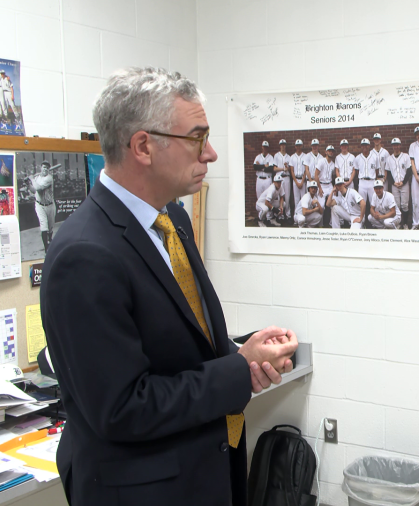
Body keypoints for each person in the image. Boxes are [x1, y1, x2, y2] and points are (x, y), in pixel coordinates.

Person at [41, 67, 298, 506]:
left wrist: (243, 357)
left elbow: (179, 355)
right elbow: (122, 408)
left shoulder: (172, 219)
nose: (211, 153)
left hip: (204, 472)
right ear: (143, 146)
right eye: (197, 138)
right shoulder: (85, 254)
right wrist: (236, 371)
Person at [27, 161, 58, 253]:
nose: (45, 169)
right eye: (44, 167)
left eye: (47, 168)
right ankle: (46, 249)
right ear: (41, 168)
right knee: (44, 226)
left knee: (50, 227)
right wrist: (28, 184)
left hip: (50, 205)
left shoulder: (49, 178)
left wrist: (32, 179)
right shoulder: (37, 178)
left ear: (49, 170)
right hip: (39, 205)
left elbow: (39, 188)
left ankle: (49, 239)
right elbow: (34, 191)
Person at [387, 137, 412, 230]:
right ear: (392, 146)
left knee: (405, 205)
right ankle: (398, 224)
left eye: (397, 145)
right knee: (396, 205)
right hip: (394, 185)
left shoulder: (405, 156)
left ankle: (405, 224)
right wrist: (393, 183)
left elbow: (409, 171)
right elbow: (388, 173)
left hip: (404, 184)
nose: (396, 147)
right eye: (394, 145)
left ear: (400, 145)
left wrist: (403, 182)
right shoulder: (389, 158)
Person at [273, 139, 292, 220]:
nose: (283, 146)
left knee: (287, 198)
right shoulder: (276, 155)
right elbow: (274, 169)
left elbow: (290, 169)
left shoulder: (289, 156)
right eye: (281, 145)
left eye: (284, 145)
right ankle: (280, 215)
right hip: (279, 179)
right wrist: (283, 169)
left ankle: (288, 215)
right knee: (279, 197)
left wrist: (287, 168)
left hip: (286, 178)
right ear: (280, 146)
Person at [289, 139, 306, 223]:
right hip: (295, 180)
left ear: (302, 146)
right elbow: (291, 170)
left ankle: (303, 217)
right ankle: (296, 219)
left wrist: (302, 181)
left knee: (303, 200)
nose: (298, 147)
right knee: (296, 200)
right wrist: (296, 182)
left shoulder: (305, 156)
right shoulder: (292, 157)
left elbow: (307, 170)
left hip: (303, 180)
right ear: (295, 146)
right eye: (297, 145)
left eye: (300, 145)